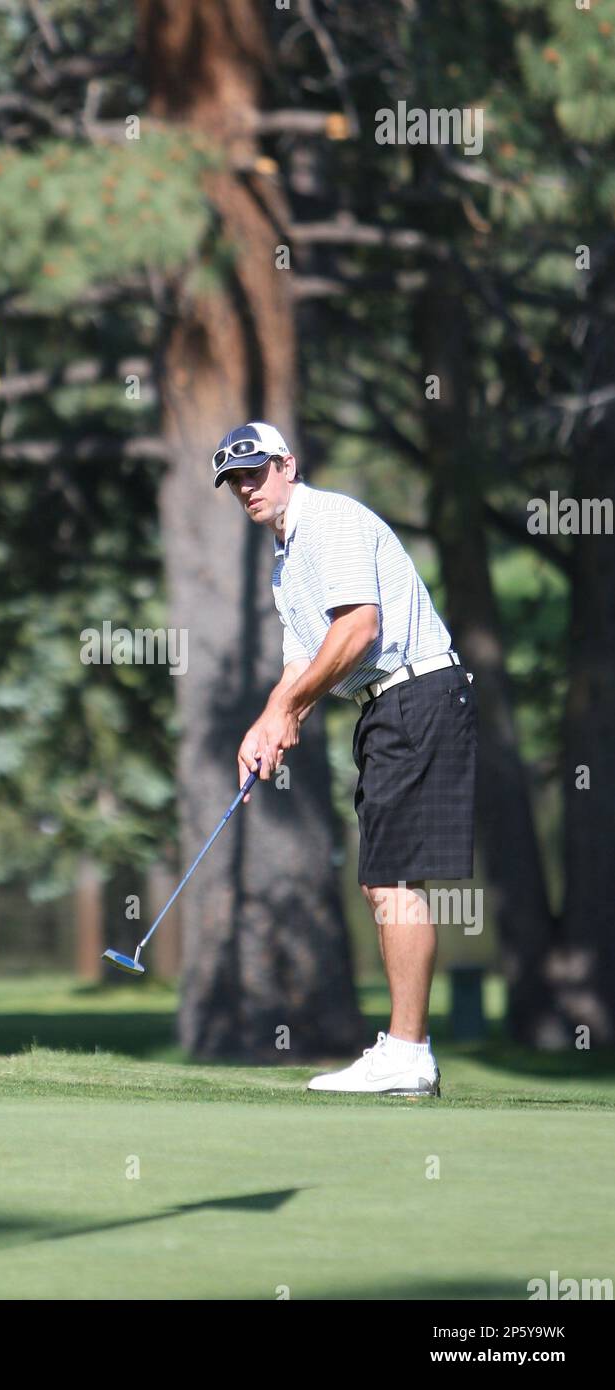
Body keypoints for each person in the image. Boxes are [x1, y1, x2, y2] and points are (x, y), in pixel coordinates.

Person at [212, 421, 477, 1096]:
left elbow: (358, 629)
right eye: (235, 479)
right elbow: (304, 657)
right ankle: (405, 1049)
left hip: (415, 696)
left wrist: (287, 709)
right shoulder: (284, 560)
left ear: (287, 465)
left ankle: (408, 1053)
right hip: (389, 709)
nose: (246, 486)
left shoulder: (326, 521)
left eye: (256, 470)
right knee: (383, 879)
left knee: (393, 879)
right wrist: (267, 722)